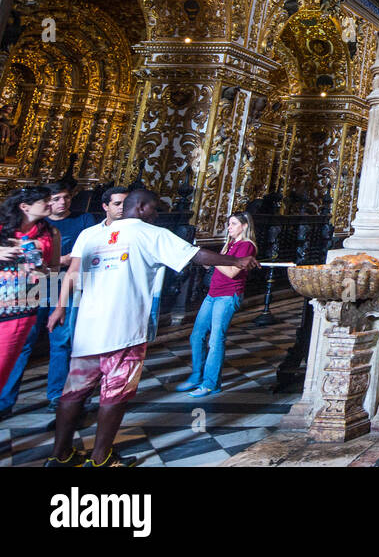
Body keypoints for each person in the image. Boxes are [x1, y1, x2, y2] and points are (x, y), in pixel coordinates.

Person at [45, 189, 258, 468]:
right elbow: (196, 256)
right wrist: (236, 261)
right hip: (125, 329)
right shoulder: (149, 233)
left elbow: (72, 271)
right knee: (115, 394)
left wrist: (60, 306)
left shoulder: (90, 234)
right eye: (155, 209)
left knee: (74, 392)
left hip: (87, 327)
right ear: (142, 208)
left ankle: (60, 456)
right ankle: (100, 459)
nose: (156, 215)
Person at [1, 186, 126, 419]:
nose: (59, 203)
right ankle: (5, 400)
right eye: (54, 199)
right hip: (16, 291)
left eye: (65, 197)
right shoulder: (11, 225)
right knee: (20, 345)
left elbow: (61, 265)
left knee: (61, 341)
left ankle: (56, 395)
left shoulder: (78, 222)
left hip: (61, 281)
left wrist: (56, 268)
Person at [178, 212, 258, 396]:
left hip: (228, 296)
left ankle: (210, 383)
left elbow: (232, 272)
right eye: (229, 224)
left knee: (215, 339)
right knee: (196, 335)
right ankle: (197, 375)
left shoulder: (247, 246)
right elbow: (221, 266)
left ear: (244, 226)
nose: (229, 227)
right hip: (213, 294)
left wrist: (213, 259)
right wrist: (211, 262)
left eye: (233, 224)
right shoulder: (230, 245)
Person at [0, 187, 58, 414]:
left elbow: (52, 270)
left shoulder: (50, 233)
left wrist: (42, 269)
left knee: (4, 364)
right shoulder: (2, 227)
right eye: (45, 201)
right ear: (25, 207)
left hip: (21, 308)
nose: (50, 204)